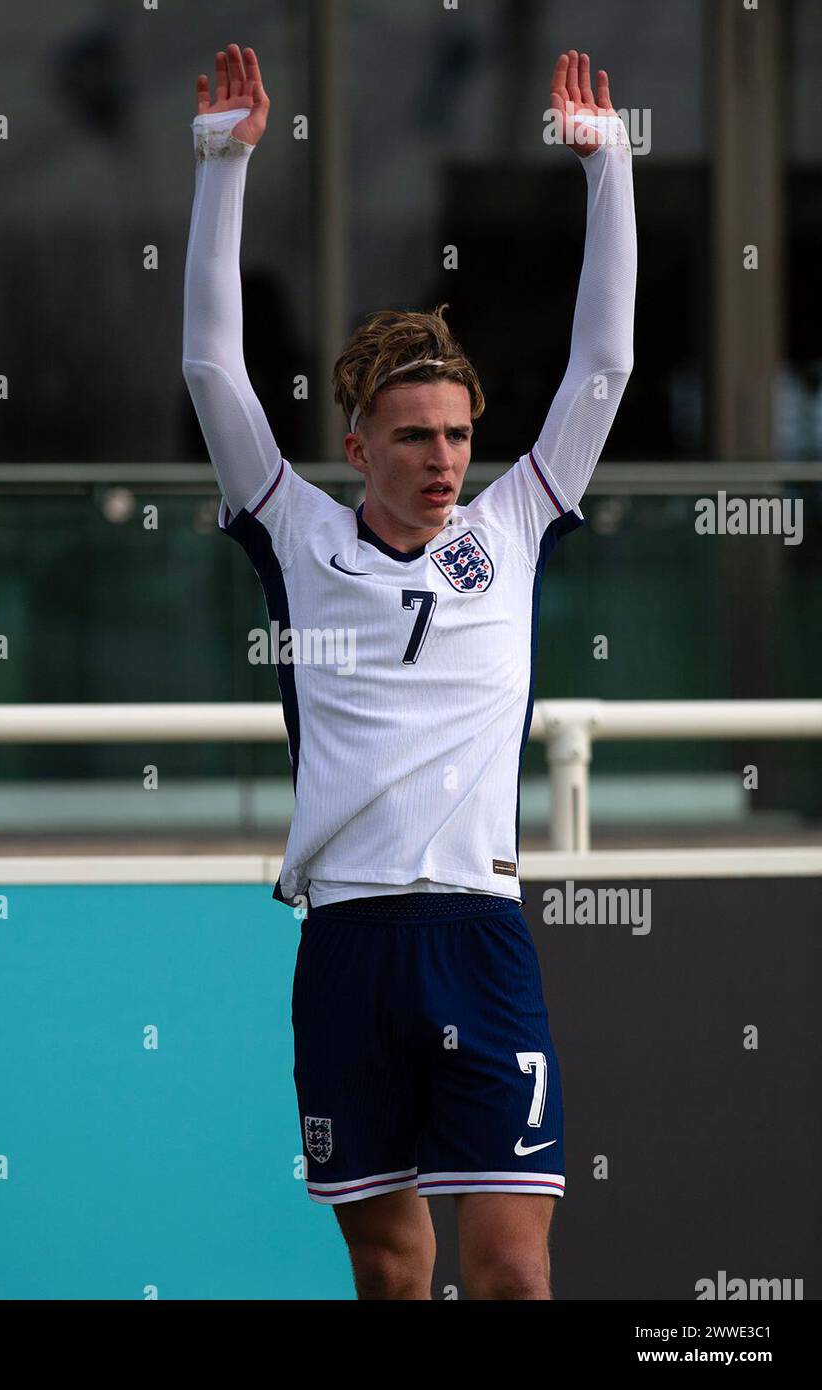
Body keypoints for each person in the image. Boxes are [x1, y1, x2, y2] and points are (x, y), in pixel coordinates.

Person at [182, 43, 636, 1300]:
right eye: (414, 438)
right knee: (389, 1269)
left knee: (508, 1271)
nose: (443, 461)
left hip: (478, 930)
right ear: (356, 443)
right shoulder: (291, 529)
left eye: (456, 437)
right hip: (345, 941)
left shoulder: (517, 522)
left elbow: (601, 367)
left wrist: (609, 170)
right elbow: (212, 370)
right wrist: (222, 164)